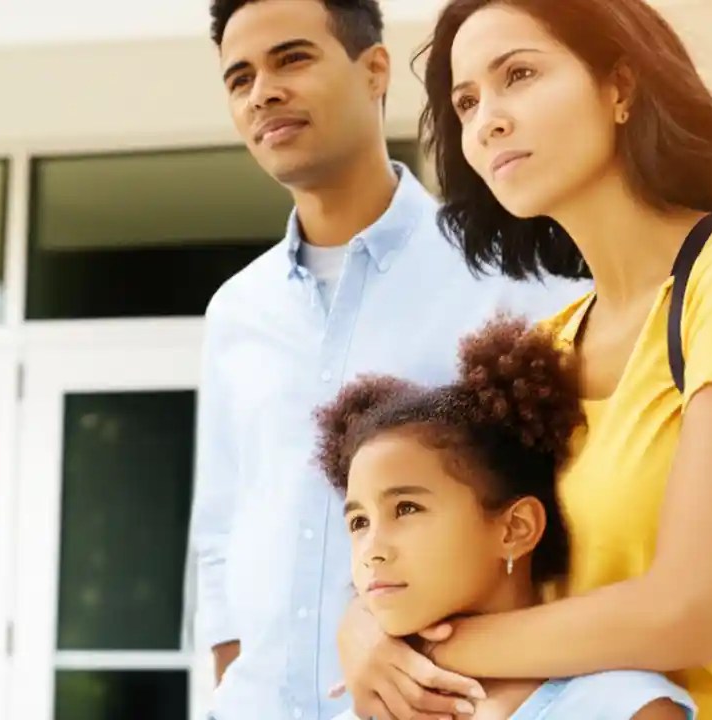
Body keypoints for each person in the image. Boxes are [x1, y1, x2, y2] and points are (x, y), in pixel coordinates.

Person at [335, 0, 712, 718]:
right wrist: (361, 627)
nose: (487, 120)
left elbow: (686, 614)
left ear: (621, 88)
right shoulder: (540, 351)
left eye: (518, 74)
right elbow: (445, 537)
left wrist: (423, 649)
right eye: (466, 101)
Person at [192, 1, 585, 718]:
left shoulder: (511, 281)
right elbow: (221, 531)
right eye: (239, 77)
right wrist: (231, 680)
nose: (263, 92)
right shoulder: (236, 312)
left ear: (375, 69)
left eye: (292, 58)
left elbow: (561, 529)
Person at [314, 315, 696, 720]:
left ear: (516, 528)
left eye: (406, 509)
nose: (371, 551)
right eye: (358, 522)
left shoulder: (619, 708)